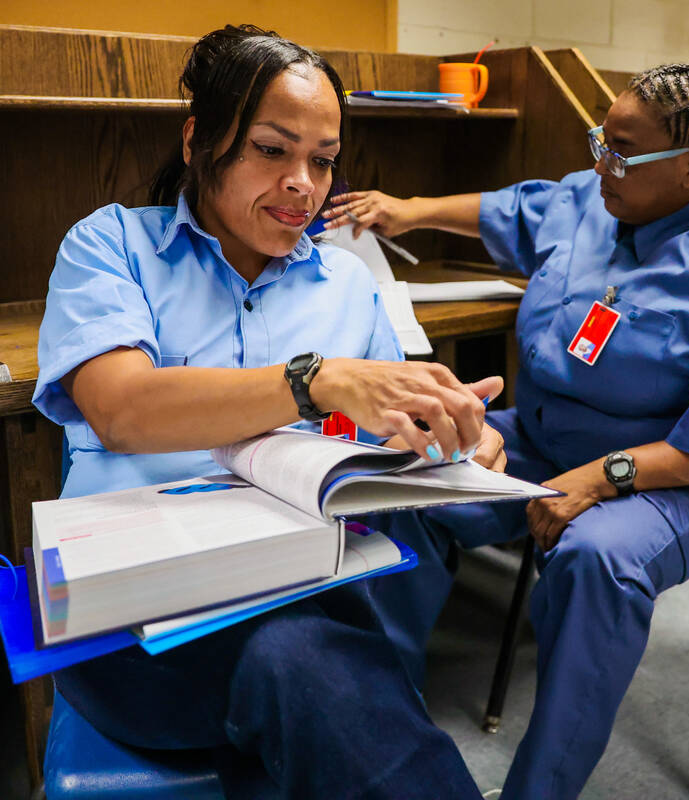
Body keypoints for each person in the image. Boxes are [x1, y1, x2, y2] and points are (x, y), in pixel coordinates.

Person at [323, 63, 689, 799]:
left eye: (621, 151)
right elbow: (519, 210)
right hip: (552, 437)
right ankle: (371, 730)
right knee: (401, 483)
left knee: (597, 557)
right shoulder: (606, 195)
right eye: (601, 139)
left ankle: (543, 789)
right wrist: (409, 211)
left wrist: (600, 479)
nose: (600, 163)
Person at [33, 25, 503, 799]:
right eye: (272, 150)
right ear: (199, 140)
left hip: (307, 588)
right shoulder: (110, 246)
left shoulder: (347, 284)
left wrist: (458, 444)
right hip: (142, 621)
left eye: (323, 160)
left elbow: (396, 426)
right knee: (311, 668)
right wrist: (313, 382)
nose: (303, 184)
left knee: (311, 664)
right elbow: (121, 410)